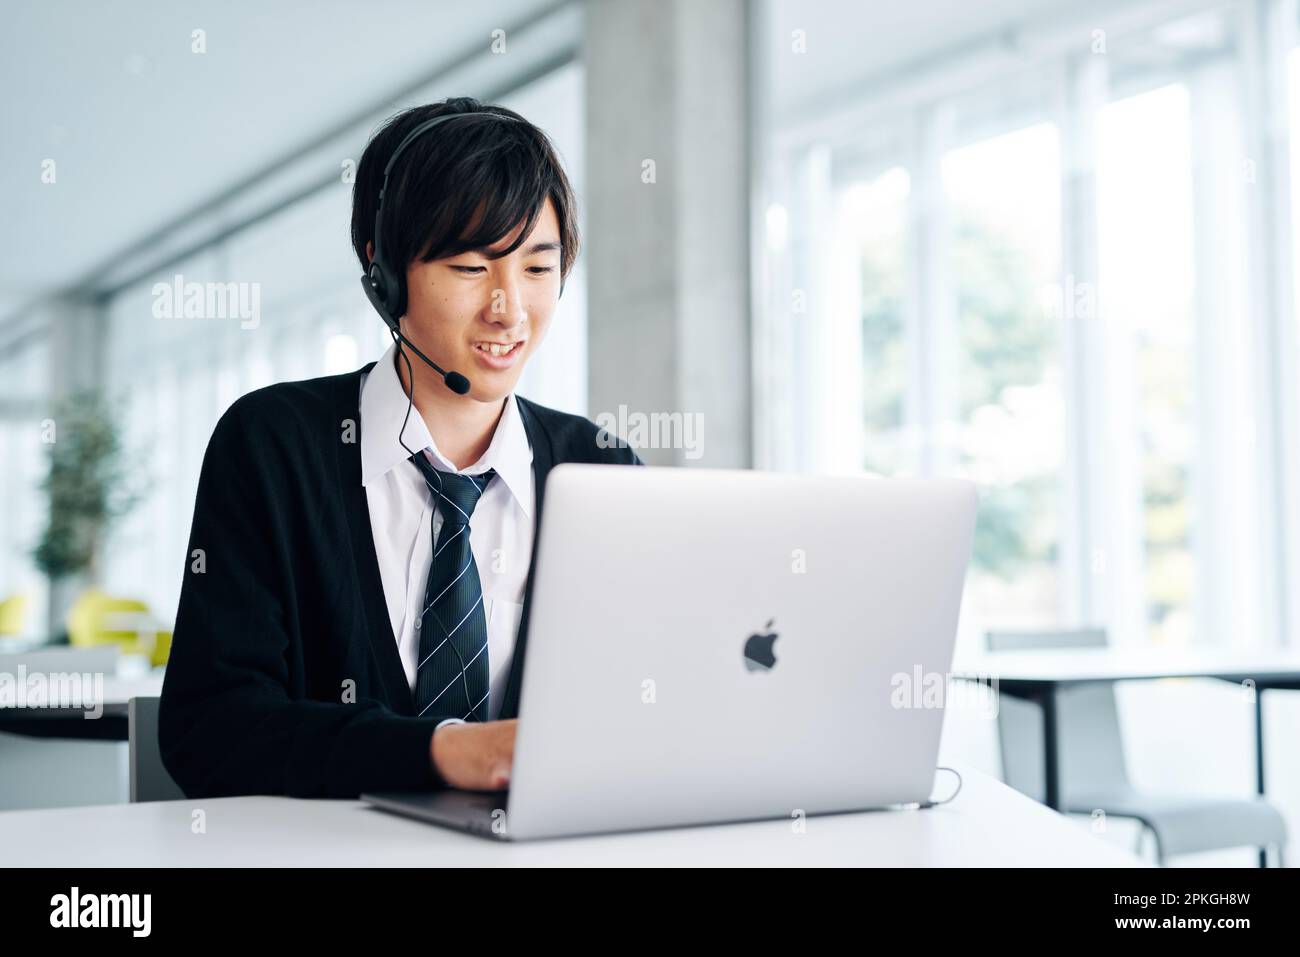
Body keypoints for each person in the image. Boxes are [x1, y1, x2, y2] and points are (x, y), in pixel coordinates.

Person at [159, 96, 641, 799]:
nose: (509, 309)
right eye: (472, 269)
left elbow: (643, 706)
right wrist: (442, 753)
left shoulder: (599, 467)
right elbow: (211, 731)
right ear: (381, 271)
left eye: (537, 269)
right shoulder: (272, 445)